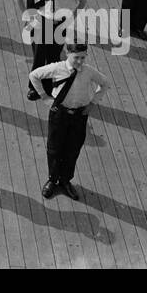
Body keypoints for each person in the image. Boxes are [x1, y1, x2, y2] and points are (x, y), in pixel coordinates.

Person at [30, 43, 109, 200]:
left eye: (83, 57)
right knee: (54, 148)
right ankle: (52, 179)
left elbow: (105, 83)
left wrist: (93, 103)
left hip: (79, 114)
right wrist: (44, 96)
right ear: (67, 53)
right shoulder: (57, 68)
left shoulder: (89, 72)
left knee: (73, 149)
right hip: (59, 113)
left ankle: (65, 180)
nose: (80, 61)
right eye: (76, 58)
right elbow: (34, 75)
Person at [13, 0, 86, 101]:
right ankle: (34, 87)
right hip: (41, 22)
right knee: (39, 57)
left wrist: (73, 16)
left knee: (53, 57)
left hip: (59, 23)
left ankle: (50, 86)